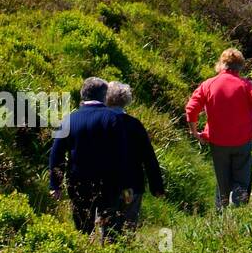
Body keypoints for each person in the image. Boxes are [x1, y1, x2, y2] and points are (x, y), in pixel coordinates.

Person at [185, 48, 252, 211]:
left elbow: (191, 108)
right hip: (243, 141)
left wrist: (195, 132)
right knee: (241, 180)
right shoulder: (245, 85)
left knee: (222, 181)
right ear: (240, 67)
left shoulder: (208, 84)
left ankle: (222, 216)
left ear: (221, 65)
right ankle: (237, 211)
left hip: (218, 143)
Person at [49, 77, 132, 241]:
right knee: (109, 228)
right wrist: (126, 184)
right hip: (109, 183)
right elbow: (122, 155)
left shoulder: (69, 120)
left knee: (82, 227)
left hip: (78, 182)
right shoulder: (114, 120)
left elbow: (56, 154)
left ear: (82, 95)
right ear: (104, 96)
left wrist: (55, 185)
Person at [105, 82, 165, 230]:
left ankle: (105, 251)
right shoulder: (135, 125)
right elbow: (149, 157)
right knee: (128, 224)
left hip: (107, 184)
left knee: (106, 225)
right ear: (126, 100)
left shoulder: (102, 122)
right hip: (132, 184)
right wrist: (156, 186)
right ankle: (125, 251)